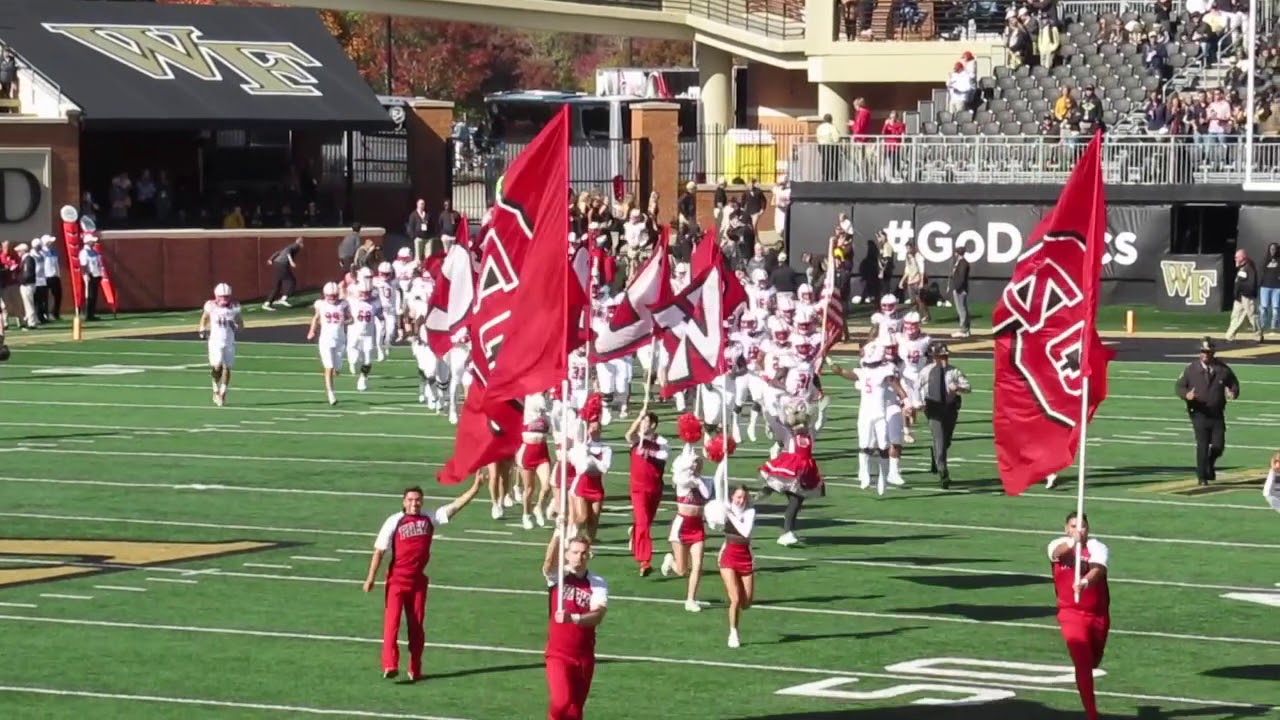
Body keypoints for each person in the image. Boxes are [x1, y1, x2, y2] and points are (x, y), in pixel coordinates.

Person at [362, 477, 483, 681]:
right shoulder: (394, 521)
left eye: (417, 500)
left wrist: (475, 488)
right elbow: (379, 551)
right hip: (397, 581)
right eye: (410, 499)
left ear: (422, 501)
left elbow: (455, 506)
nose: (414, 503)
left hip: (418, 582)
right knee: (392, 624)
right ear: (403, 502)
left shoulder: (429, 517)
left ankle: (415, 668)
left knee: (417, 627)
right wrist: (370, 578)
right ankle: (390, 664)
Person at [1048, 512, 1111, 720]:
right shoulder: (1057, 543)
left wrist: (1085, 582)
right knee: (1083, 662)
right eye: (1073, 526)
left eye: (1082, 526)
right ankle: (1092, 714)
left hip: (1097, 614)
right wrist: (1071, 544)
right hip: (1070, 613)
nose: (1078, 530)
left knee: (1093, 661)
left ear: (1088, 529)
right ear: (1066, 528)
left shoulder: (1097, 547)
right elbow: (1056, 553)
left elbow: (1098, 569)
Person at [541, 533, 609, 720]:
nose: (579, 556)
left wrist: (574, 618)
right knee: (562, 701)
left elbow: (598, 615)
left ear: (589, 555)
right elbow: (548, 564)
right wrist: (556, 535)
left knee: (575, 710)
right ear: (567, 554)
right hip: (558, 654)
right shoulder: (558, 576)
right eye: (575, 552)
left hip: (584, 655)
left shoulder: (597, 583)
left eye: (583, 553)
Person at [1174, 337, 1240, 485]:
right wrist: (1187, 395)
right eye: (1203, 351)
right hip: (1199, 412)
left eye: (1208, 352)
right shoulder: (1191, 369)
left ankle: (1209, 463)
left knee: (1218, 446)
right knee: (1202, 445)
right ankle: (1201, 476)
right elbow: (1179, 387)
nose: (1205, 354)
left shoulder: (1222, 369)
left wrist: (1233, 392)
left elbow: (1234, 383)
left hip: (1216, 413)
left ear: (1213, 353)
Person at [920, 342, 971, 489]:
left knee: (946, 440)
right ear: (933, 357)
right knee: (940, 440)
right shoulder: (926, 372)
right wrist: (917, 402)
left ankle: (936, 456)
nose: (943, 359)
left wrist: (959, 387)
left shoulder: (954, 371)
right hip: (933, 408)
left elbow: (968, 387)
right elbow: (916, 388)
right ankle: (944, 472)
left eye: (945, 356)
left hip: (950, 408)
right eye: (940, 357)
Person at [624, 407, 668, 576]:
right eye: (642, 422)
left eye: (647, 422)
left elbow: (664, 455)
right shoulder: (636, 440)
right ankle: (645, 560)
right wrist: (638, 417)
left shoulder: (661, 442)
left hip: (655, 488)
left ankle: (634, 534)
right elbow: (629, 435)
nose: (643, 425)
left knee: (645, 523)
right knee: (643, 522)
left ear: (654, 425)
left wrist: (649, 452)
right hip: (638, 489)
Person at [718, 484, 755, 648]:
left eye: (744, 497)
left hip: (745, 558)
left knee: (746, 603)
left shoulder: (750, 512)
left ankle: (735, 625)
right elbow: (719, 480)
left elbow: (745, 531)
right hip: (728, 558)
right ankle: (733, 633)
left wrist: (730, 515)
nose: (741, 500)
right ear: (732, 497)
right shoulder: (725, 509)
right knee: (735, 599)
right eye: (738, 497)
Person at [197, 283, 243, 407]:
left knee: (227, 367)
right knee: (217, 366)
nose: (224, 299)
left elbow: (241, 324)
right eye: (222, 296)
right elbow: (204, 318)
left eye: (226, 296)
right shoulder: (211, 306)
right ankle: (214, 386)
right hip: (215, 341)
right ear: (216, 296)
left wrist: (237, 326)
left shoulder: (235, 307)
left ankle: (223, 393)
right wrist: (202, 329)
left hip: (229, 341)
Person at [263, 237, 303, 310]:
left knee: (277, 285)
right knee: (291, 281)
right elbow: (288, 251)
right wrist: (291, 262)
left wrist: (271, 259)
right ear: (300, 243)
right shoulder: (296, 246)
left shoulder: (289, 246)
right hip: (282, 264)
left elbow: (278, 252)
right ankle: (283, 299)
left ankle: (267, 303)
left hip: (277, 263)